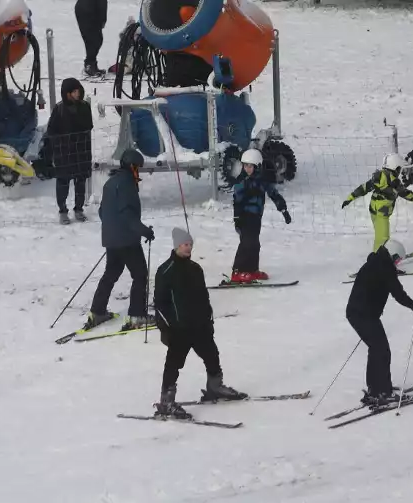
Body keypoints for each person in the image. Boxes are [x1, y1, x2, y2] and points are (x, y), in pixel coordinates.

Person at [154, 228, 246, 418]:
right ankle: (166, 401)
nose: (188, 248)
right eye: (185, 244)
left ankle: (215, 387)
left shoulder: (196, 269)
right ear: (177, 246)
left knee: (212, 355)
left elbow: (204, 297)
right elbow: (160, 304)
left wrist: (208, 319)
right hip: (178, 329)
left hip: (200, 325)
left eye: (190, 245)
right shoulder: (165, 271)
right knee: (174, 364)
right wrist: (168, 327)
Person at [85, 149, 156, 332]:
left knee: (111, 273)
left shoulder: (111, 182)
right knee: (140, 275)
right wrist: (145, 231)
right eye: (138, 167)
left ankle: (97, 311)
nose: (138, 171)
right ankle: (137, 316)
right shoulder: (127, 184)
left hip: (111, 239)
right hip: (127, 240)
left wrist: (112, 229)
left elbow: (102, 212)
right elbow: (127, 215)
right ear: (132, 166)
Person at [346, 245, 413, 407]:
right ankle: (383, 392)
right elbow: (397, 293)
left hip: (357, 313)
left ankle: (375, 389)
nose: (397, 263)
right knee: (382, 350)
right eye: (398, 260)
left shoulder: (373, 262)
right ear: (393, 256)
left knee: (376, 349)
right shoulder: (385, 268)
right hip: (365, 315)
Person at [342, 153, 413, 252]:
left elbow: (363, 188)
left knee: (380, 236)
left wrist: (350, 198)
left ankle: (378, 255)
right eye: (399, 169)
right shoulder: (393, 181)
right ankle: (377, 257)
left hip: (374, 211)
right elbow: (407, 194)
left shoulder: (380, 176)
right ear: (395, 167)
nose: (399, 172)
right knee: (383, 238)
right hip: (381, 213)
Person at [230, 149, 292, 283]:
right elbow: (237, 202)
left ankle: (252, 270)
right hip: (244, 217)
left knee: (255, 244)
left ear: (257, 166)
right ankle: (237, 271)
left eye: (250, 166)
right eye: (245, 165)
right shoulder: (241, 182)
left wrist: (283, 210)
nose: (247, 169)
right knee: (246, 243)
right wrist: (237, 218)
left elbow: (274, 194)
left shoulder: (262, 181)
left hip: (256, 217)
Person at [44, 78, 93, 224]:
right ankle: (63, 211)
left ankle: (79, 209)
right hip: (64, 153)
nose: (77, 94)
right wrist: (59, 144)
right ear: (67, 93)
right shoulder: (59, 109)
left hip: (81, 151)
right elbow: (51, 131)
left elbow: (89, 126)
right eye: (74, 91)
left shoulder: (85, 107)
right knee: (63, 182)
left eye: (78, 91)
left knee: (81, 182)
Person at [74, 0, 107, 78]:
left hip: (88, 9)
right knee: (93, 40)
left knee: (96, 39)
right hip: (86, 10)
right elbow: (102, 4)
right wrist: (103, 20)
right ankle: (89, 66)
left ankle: (92, 65)